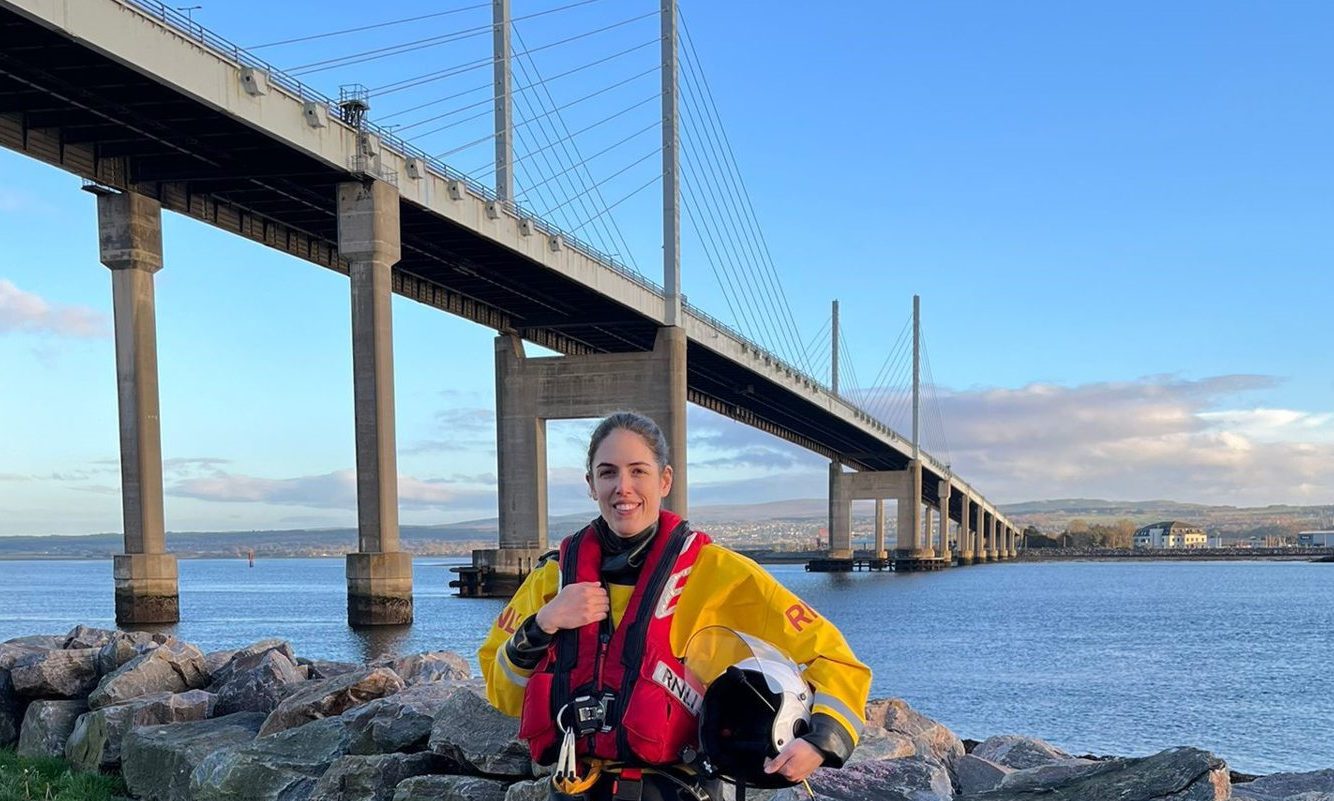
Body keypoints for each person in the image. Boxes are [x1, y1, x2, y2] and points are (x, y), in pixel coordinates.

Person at [479, 411, 871, 800]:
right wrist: (542, 624)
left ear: (665, 480)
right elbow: (503, 694)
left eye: (638, 471)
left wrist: (822, 741)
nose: (623, 487)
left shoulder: (719, 572)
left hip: (679, 790)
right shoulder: (554, 577)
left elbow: (836, 660)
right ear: (591, 484)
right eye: (608, 472)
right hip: (575, 790)